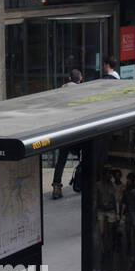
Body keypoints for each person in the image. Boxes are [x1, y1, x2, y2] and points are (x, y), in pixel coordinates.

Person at [51, 69, 86, 199]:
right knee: (84, 157)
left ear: (69, 79)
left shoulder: (60, 91)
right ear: (80, 79)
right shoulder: (83, 92)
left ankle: (56, 186)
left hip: (64, 131)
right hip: (77, 132)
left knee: (61, 159)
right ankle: (83, 182)